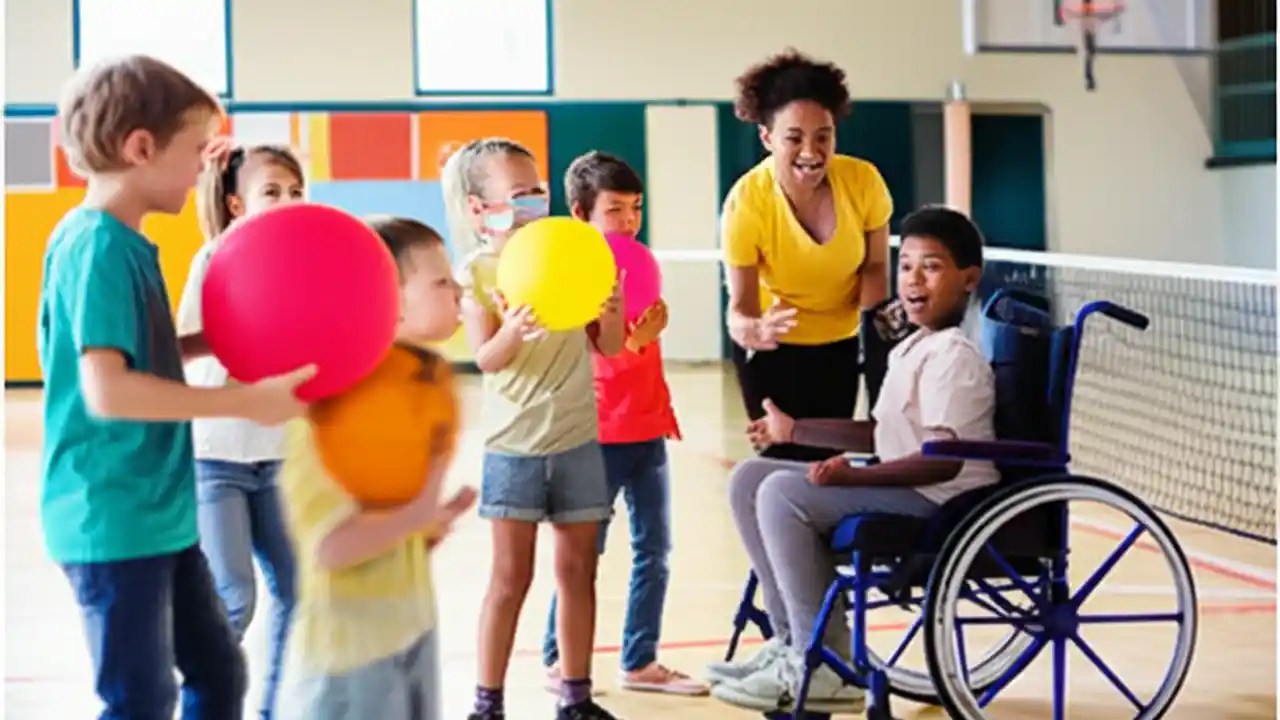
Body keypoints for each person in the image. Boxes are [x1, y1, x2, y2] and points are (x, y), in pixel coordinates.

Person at [37, 54, 313, 720]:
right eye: (195, 150)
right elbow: (110, 391)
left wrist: (218, 342)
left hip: (160, 511)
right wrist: (246, 400)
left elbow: (151, 357)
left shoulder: (127, 241)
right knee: (141, 699)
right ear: (141, 148)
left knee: (218, 673)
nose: (203, 167)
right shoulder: (96, 245)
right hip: (112, 517)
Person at [708, 206, 1000, 714]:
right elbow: (881, 433)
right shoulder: (913, 348)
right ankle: (790, 642)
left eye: (931, 266)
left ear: (968, 279)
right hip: (912, 486)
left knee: (783, 493)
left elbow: (943, 461)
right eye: (905, 265)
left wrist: (850, 474)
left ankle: (823, 663)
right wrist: (794, 430)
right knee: (752, 477)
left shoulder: (955, 355)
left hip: (945, 503)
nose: (912, 279)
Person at [445, 138, 626, 720]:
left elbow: (612, 345)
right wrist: (512, 331)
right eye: (518, 196)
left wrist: (613, 307)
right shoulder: (476, 273)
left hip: (576, 439)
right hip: (514, 446)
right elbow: (486, 358)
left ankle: (576, 696)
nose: (533, 205)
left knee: (579, 572)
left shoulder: (574, 254)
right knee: (509, 578)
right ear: (480, 209)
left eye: (538, 193)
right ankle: (487, 703)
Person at [274, 216, 477, 720]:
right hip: (350, 659)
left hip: (412, 631)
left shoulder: (415, 390)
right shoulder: (329, 405)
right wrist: (417, 513)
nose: (458, 290)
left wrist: (428, 524)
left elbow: (394, 525)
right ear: (389, 295)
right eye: (441, 281)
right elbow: (329, 547)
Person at [540, 151, 707, 696]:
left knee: (655, 550)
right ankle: (554, 656)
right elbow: (591, 348)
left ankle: (639, 661)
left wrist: (650, 331)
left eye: (635, 208)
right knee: (584, 552)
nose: (629, 220)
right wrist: (634, 339)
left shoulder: (638, 262)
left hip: (649, 426)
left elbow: (640, 338)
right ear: (581, 212)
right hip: (599, 432)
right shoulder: (573, 272)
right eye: (615, 209)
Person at [178, 143, 308, 720]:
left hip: (278, 458)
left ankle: (275, 706)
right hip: (217, 458)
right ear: (236, 204)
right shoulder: (214, 257)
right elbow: (191, 348)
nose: (286, 202)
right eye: (271, 192)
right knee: (233, 599)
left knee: (298, 592)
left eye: (296, 191)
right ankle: (206, 707)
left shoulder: (308, 263)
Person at [721, 48, 894, 462]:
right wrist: (749, 329)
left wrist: (875, 335)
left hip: (841, 342)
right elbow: (740, 306)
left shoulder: (863, 181)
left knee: (830, 465)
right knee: (782, 467)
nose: (811, 152)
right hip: (774, 350)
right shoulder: (747, 201)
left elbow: (874, 267)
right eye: (794, 138)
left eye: (824, 136)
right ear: (767, 138)